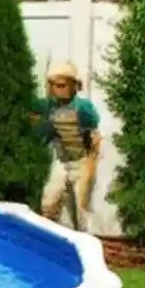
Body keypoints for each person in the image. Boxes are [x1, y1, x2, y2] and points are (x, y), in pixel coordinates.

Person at [31, 62, 102, 232]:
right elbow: (31, 108)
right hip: (62, 162)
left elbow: (94, 138)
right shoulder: (49, 106)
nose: (57, 89)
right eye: (53, 85)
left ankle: (84, 243)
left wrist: (90, 167)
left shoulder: (83, 108)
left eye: (61, 85)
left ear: (73, 86)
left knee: (80, 209)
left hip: (81, 161)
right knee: (48, 201)